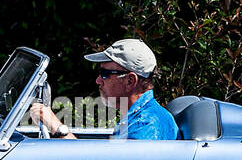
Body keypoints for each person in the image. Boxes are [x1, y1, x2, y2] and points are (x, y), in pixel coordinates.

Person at [30, 38, 180, 140]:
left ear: (130, 80)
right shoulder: (136, 117)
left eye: (105, 74)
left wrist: (57, 127)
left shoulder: (145, 125)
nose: (98, 80)